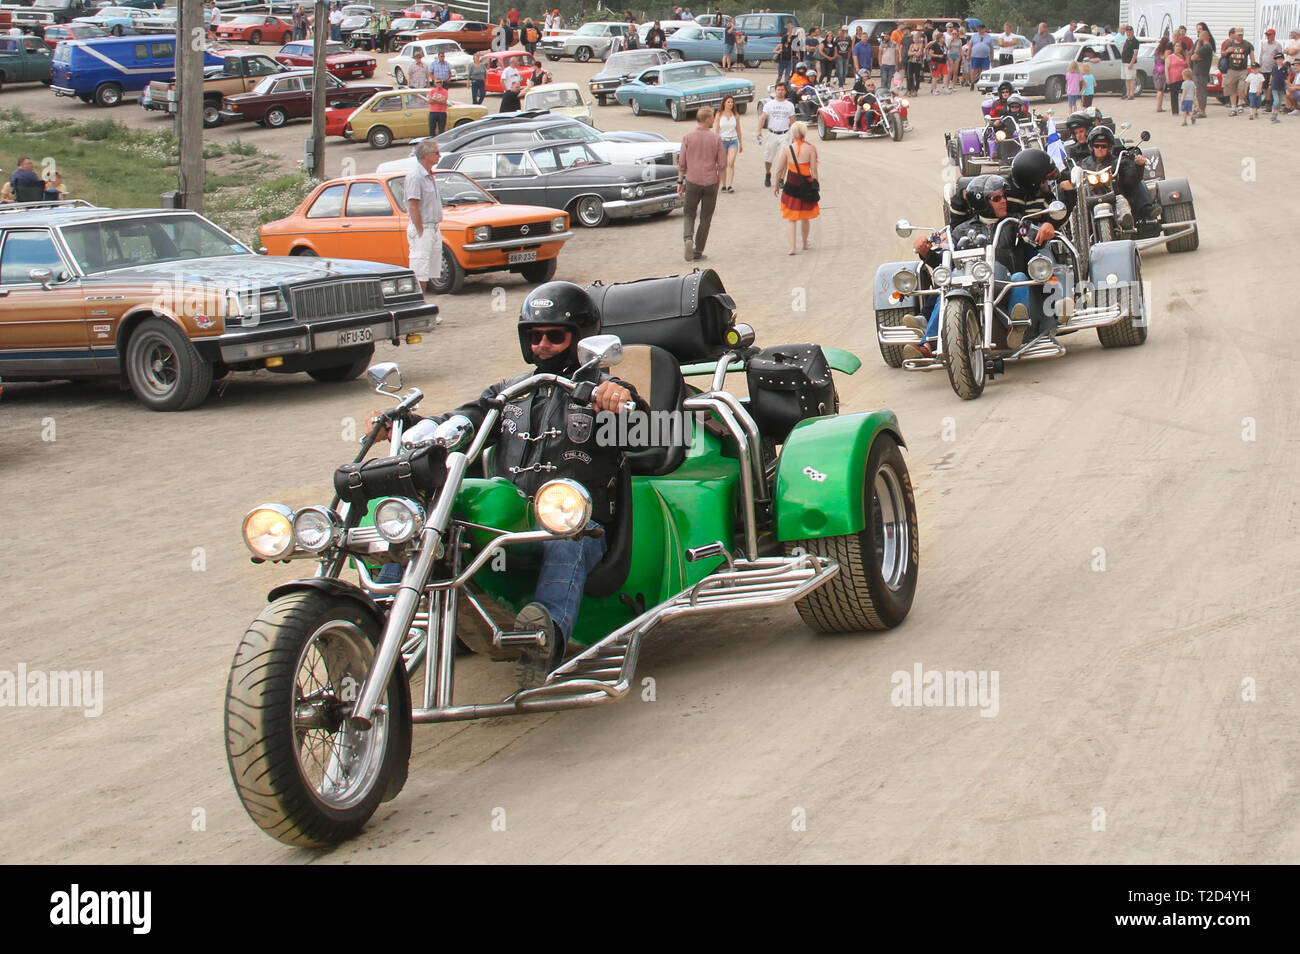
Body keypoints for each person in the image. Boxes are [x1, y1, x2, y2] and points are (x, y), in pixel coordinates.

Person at [373, 284, 645, 685]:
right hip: (508, 524)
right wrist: (408, 424)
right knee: (425, 521)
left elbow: (657, 436)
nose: (543, 346)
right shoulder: (507, 394)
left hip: (574, 524)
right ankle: (374, 623)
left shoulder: (605, 394)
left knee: (566, 536)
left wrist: (623, 401)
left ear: (582, 339)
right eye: (534, 336)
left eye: (555, 336)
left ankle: (543, 637)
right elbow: (459, 421)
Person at [904, 174, 1057, 359]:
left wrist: (1045, 229)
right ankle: (928, 344)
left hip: (1004, 284)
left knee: (1019, 278)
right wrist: (926, 253)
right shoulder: (961, 231)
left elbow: (1035, 237)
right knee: (947, 288)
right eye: (997, 198)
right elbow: (947, 264)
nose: (1003, 201)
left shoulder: (1014, 223)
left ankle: (1017, 326)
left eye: (1003, 196)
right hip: (971, 286)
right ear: (982, 202)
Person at [677, 106, 724, 262]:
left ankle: (688, 238)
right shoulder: (716, 138)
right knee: (706, 217)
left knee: (689, 213)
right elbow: (722, 163)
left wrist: (680, 180)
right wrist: (718, 179)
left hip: (692, 180)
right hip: (710, 181)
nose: (713, 120)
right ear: (707, 119)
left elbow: (682, 162)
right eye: (712, 117)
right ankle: (698, 250)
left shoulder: (688, 137)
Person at [1081, 125, 1153, 225]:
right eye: (1097, 146)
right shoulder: (1083, 164)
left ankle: (1126, 222)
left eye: (1104, 146)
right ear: (1091, 146)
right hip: (1089, 198)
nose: (1100, 148)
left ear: (1109, 147)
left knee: (1122, 202)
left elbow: (1131, 180)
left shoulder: (1119, 161)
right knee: (1079, 207)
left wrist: (1138, 166)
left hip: (1115, 196)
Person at [771, 121, 818, 254]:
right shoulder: (810, 148)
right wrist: (816, 185)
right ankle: (804, 243)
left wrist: (777, 184)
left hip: (791, 185)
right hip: (806, 185)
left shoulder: (787, 149)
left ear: (792, 134)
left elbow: (779, 169)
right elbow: (814, 170)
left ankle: (792, 247)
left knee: (791, 219)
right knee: (805, 217)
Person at [404, 140, 443, 293]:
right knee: (420, 270)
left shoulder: (429, 175)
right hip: (423, 228)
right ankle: (419, 306)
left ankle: (427, 307)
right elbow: (413, 205)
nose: (439, 155)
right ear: (426, 155)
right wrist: (420, 230)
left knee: (430, 270)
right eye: (436, 152)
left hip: (433, 227)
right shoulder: (415, 176)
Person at [756, 81, 794, 187]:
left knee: (784, 157)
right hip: (772, 133)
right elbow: (763, 118)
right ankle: (768, 173)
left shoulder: (789, 105)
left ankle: (781, 179)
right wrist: (758, 131)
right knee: (768, 157)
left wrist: (795, 135)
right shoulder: (769, 104)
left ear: (785, 91)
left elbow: (792, 120)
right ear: (775, 91)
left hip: (784, 134)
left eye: (782, 90)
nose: (780, 92)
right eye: (778, 90)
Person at [1222, 27, 1256, 115]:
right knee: (1232, 90)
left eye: (1241, 34)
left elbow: (1252, 57)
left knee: (1241, 89)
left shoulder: (1247, 44)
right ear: (1235, 35)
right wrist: (1227, 51)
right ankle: (1234, 108)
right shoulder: (1230, 43)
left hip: (1242, 70)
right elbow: (1222, 54)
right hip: (1231, 69)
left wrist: (1253, 68)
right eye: (1238, 35)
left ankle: (1240, 104)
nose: (1240, 36)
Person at [713, 94, 742, 192]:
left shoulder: (736, 115)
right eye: (728, 102)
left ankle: (730, 185)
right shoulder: (719, 114)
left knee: (731, 162)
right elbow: (716, 130)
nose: (730, 104)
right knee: (723, 164)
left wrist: (741, 142)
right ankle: (724, 185)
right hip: (722, 141)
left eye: (732, 102)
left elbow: (738, 129)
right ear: (724, 103)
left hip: (733, 140)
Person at [1190, 27, 1214, 117]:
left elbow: (1193, 57)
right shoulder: (1203, 47)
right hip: (1198, 72)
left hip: (1201, 73)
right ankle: (1198, 108)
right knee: (1197, 91)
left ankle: (1202, 111)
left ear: (1203, 37)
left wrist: (1196, 57)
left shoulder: (1206, 47)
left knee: (1201, 92)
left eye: (1199, 36)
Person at [1164, 41, 1187, 118]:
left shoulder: (1183, 57)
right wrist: (1167, 78)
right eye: (1176, 46)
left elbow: (1187, 66)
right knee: (1174, 95)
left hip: (1183, 78)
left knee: (1185, 94)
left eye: (1179, 46)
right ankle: (1175, 111)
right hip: (1173, 78)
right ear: (1174, 47)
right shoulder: (1170, 57)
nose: (1178, 48)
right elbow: (1166, 68)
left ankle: (1186, 109)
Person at [1269, 52, 1287, 122]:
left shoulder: (1285, 68)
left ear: (1283, 59)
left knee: (1279, 102)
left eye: (1280, 59)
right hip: (1275, 87)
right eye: (1277, 59)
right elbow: (1272, 76)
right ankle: (1273, 115)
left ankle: (1275, 116)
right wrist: (1270, 83)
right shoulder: (1274, 67)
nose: (1279, 61)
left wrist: (1287, 84)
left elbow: (1287, 76)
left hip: (1282, 87)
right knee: (1276, 101)